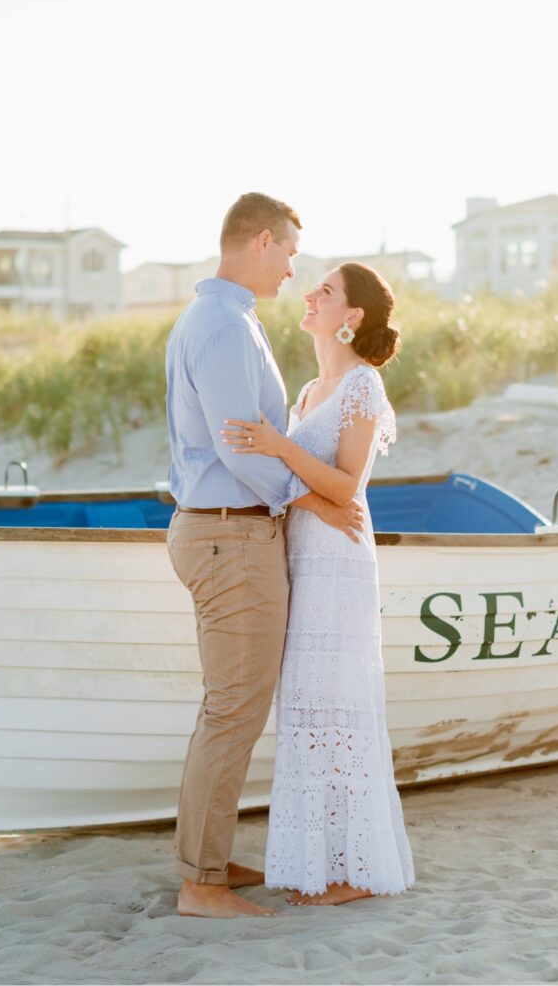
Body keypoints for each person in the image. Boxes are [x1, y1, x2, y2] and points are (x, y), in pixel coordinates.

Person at [165, 193, 365, 920]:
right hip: (229, 532)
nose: (291, 270)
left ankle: (208, 862)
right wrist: (310, 499)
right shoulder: (220, 327)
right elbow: (237, 443)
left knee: (231, 710)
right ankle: (200, 884)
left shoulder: (227, 320)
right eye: (286, 253)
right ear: (258, 241)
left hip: (231, 530)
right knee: (233, 712)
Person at [222, 262, 416, 905]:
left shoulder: (363, 386)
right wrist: (288, 467)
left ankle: (350, 873)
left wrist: (279, 448)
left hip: (339, 560)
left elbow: (347, 487)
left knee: (339, 706)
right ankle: (324, 862)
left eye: (326, 291)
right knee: (307, 706)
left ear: (352, 317)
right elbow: (308, 491)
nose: (312, 294)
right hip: (302, 555)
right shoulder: (307, 392)